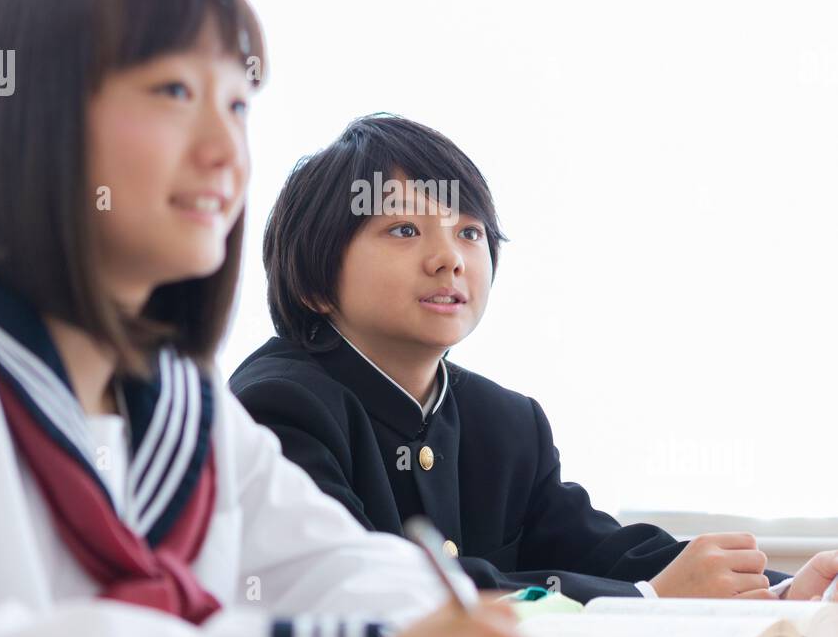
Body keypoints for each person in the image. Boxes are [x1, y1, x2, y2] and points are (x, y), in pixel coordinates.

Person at [0, 0, 557, 637]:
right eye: (174, 92)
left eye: (238, 104)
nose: (224, 150)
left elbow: (329, 567)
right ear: (26, 114)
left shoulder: (187, 404)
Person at [231, 113, 838, 602]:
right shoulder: (277, 405)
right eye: (405, 231)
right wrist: (644, 600)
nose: (451, 258)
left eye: (470, 232)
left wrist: (786, 598)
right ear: (313, 280)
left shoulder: (506, 421)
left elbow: (597, 547)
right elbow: (376, 593)